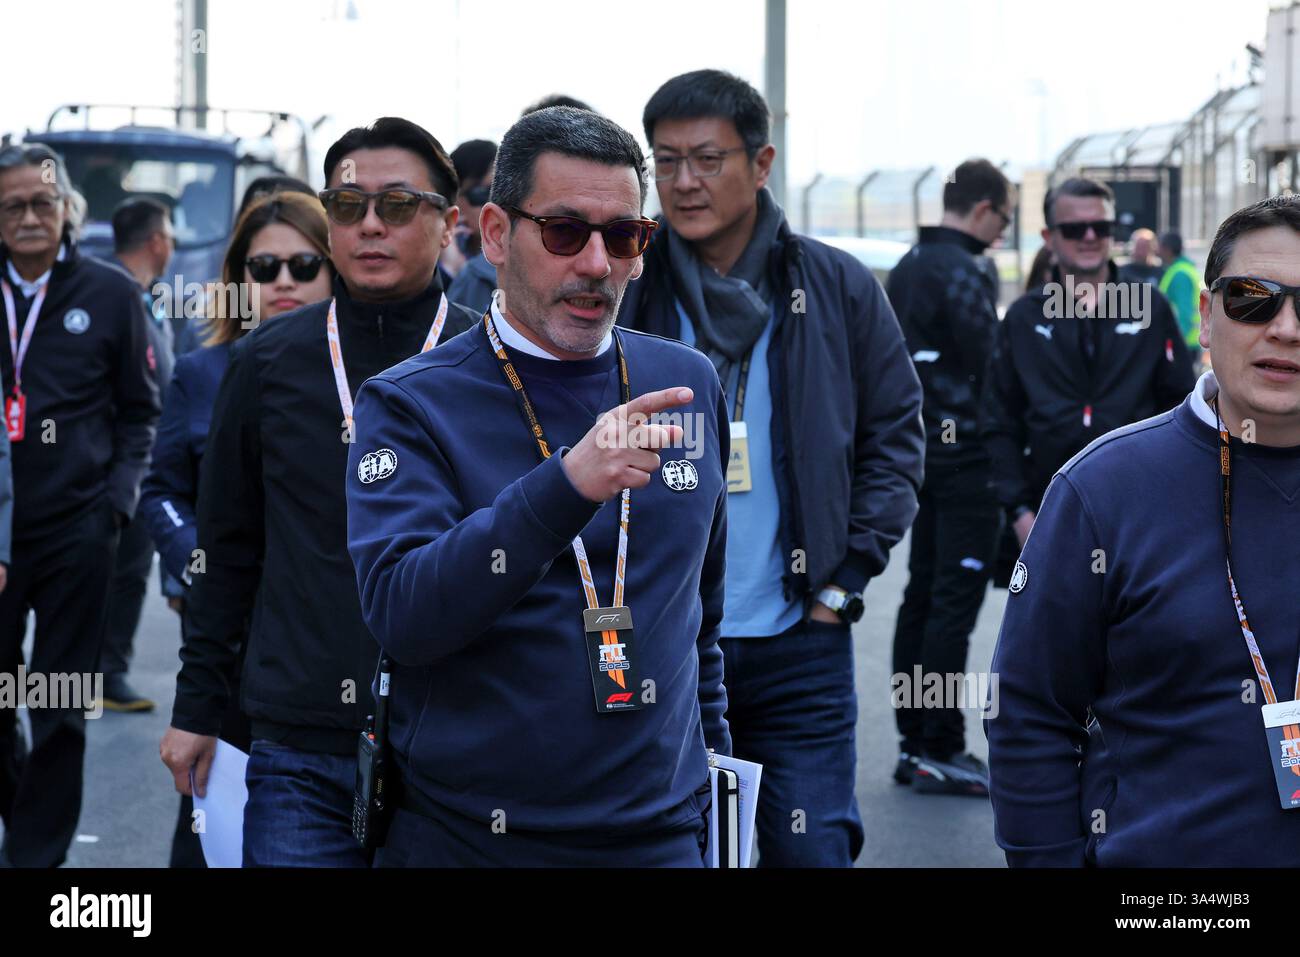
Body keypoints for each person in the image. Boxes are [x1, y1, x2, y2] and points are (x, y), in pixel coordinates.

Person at [346, 105, 728, 868]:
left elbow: (700, 619)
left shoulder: (683, 382)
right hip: (473, 839)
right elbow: (404, 614)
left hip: (660, 838)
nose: (595, 263)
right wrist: (564, 486)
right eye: (563, 232)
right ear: (494, 234)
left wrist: (710, 776)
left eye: (622, 236)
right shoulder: (411, 401)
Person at [618, 70, 925, 867]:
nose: (684, 182)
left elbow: (896, 436)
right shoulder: (629, 285)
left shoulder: (832, 285)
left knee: (812, 845)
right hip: (665, 637)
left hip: (800, 639)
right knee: (666, 847)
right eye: (667, 160)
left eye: (709, 158)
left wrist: (842, 580)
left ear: (762, 163)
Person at [159, 117, 477, 867]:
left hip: (454, 740)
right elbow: (225, 552)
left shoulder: (490, 357)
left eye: (397, 205)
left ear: (448, 223)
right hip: (297, 741)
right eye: (346, 205)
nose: (370, 224)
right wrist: (197, 710)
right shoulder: (267, 362)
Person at [987, 194, 1300, 866]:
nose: (1286, 327)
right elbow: (1029, 714)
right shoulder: (1102, 489)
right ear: (1206, 316)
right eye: (1254, 297)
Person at [142, 190, 333, 867]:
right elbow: (160, 489)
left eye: (305, 264)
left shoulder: (376, 377)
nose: (283, 280)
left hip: (325, 656)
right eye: (264, 267)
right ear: (238, 281)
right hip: (226, 639)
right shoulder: (201, 372)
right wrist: (202, 558)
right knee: (207, 824)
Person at [0, 143, 161, 868]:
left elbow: (141, 410)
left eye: (43, 202)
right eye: (12, 206)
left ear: (68, 211)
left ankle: (35, 855)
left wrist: (115, 508)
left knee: (58, 701)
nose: (30, 217)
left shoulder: (109, 292)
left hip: (79, 529)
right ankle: (22, 811)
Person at [981, 177, 1196, 549]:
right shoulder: (1023, 318)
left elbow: (1181, 408)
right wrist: (1018, 513)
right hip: (1046, 517)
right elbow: (998, 420)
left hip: (1139, 516)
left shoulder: (1150, 308)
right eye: (1075, 228)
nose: (1090, 236)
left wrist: (1169, 498)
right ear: (1049, 237)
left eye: (1102, 226)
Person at [886, 158, 1011, 795]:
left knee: (922, 596)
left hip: (918, 455)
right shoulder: (964, 270)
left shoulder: (908, 265)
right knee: (952, 608)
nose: (1002, 231)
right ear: (986, 209)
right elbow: (993, 368)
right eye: (1005, 218)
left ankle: (915, 744)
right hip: (966, 463)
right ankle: (940, 745)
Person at [97, 198, 182, 713]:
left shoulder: (148, 296)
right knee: (114, 572)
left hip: (144, 456)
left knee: (127, 571)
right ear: (156, 241)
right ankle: (101, 674)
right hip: (118, 460)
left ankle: (106, 671)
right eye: (169, 234)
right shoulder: (113, 295)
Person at [445, 139, 498, 312]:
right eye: (482, 193)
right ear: (454, 199)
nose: (493, 204)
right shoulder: (431, 259)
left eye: (498, 192)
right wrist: (449, 272)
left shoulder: (518, 258)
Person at [1159, 229, 1203, 362]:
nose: (1157, 252)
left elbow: (1184, 314)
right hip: (1186, 343)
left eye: (1159, 247)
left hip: (1183, 345)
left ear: (1167, 249)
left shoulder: (1180, 274)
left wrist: (1176, 344)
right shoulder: (1183, 269)